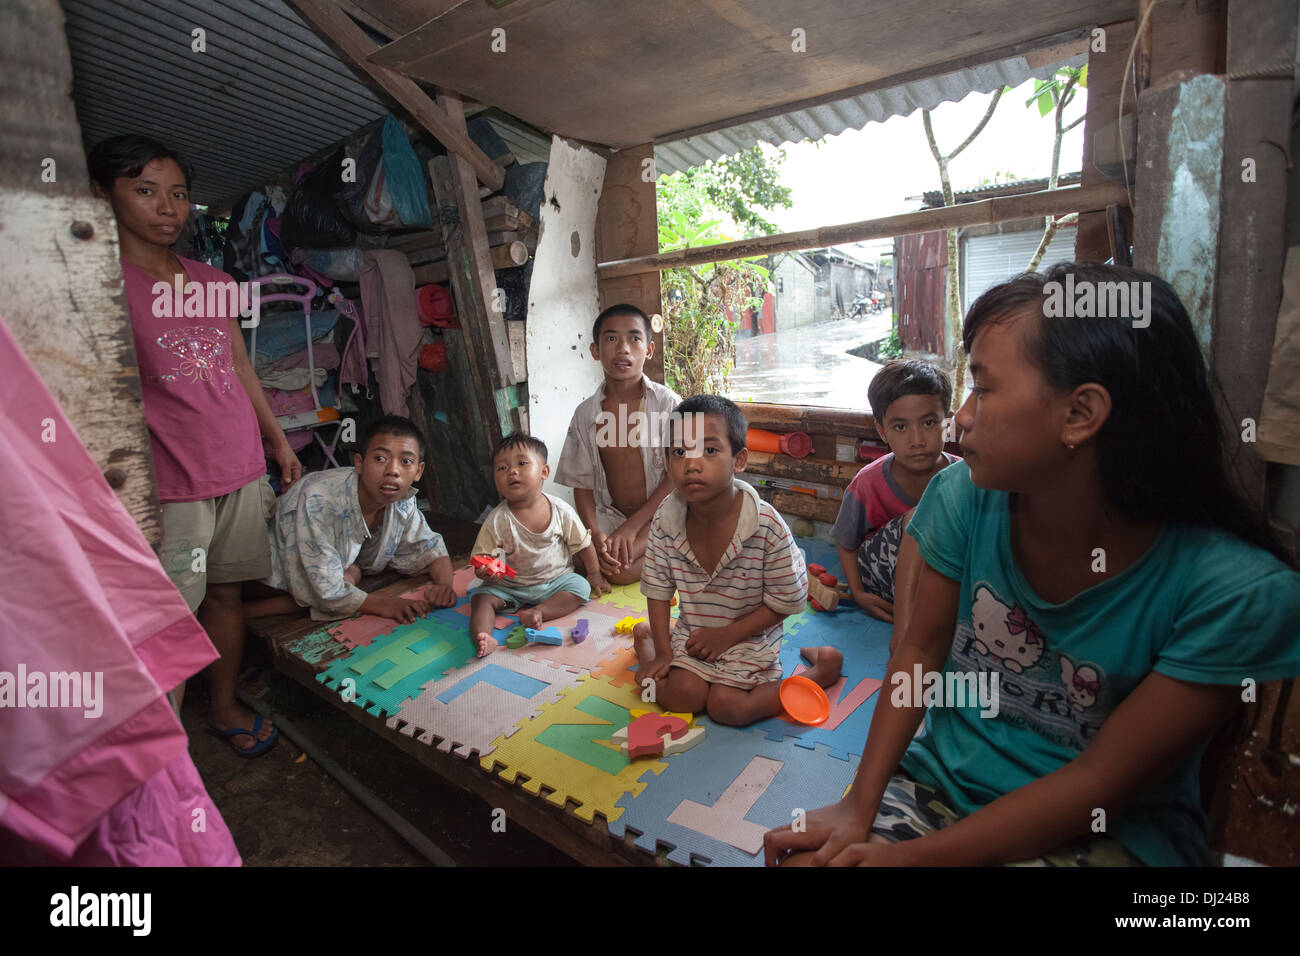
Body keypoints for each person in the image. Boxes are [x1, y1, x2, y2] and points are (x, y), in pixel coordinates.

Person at [763, 262, 1300, 867]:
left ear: (1080, 414)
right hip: (943, 786)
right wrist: (859, 805)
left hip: (1105, 830)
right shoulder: (963, 497)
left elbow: (1100, 781)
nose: (960, 417)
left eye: (984, 389)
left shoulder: (1235, 594)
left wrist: (905, 861)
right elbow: (916, 654)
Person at [89, 134, 298, 757]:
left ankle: (224, 702)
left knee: (228, 593)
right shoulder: (103, 288)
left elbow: (240, 369)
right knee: (166, 615)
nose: (167, 207)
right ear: (104, 197)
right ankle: (160, 756)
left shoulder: (212, 280)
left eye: (178, 193)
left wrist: (279, 445)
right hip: (169, 486)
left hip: (237, 469)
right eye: (145, 190)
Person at [634, 395, 842, 726]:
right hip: (696, 633)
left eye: (710, 450)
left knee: (728, 707)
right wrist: (662, 651)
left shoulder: (766, 525)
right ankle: (646, 642)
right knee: (684, 696)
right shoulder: (666, 519)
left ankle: (822, 671)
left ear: (739, 459)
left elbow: (788, 601)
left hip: (750, 636)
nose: (692, 463)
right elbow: (657, 588)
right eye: (679, 452)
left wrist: (727, 635)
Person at [255, 415, 456, 623]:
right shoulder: (319, 499)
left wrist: (444, 586)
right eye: (380, 459)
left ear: (418, 471)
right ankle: (244, 611)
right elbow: (325, 591)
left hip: (329, 574)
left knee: (352, 572)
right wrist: (384, 604)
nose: (393, 471)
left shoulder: (401, 499)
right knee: (320, 596)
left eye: (406, 462)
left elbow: (431, 547)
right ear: (359, 463)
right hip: (268, 579)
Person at [556, 304, 681, 585]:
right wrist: (593, 534)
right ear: (595, 351)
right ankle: (666, 553)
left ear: (648, 350)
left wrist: (632, 527)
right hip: (610, 516)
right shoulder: (585, 414)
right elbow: (582, 484)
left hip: (663, 514)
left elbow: (678, 477)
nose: (623, 348)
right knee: (573, 557)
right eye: (611, 339)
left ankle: (674, 549)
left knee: (619, 572)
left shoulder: (669, 404)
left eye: (634, 338)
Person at [831, 360, 959, 629]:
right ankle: (907, 630)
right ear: (882, 431)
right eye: (900, 427)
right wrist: (858, 593)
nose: (917, 440)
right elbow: (846, 542)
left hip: (943, 578)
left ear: (947, 423)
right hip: (881, 579)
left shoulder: (964, 476)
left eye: (928, 422)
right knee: (919, 518)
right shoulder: (868, 482)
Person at [469, 434, 605, 657]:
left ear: (544, 471)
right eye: (502, 468)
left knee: (581, 587)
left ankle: (538, 612)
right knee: (481, 599)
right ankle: (484, 637)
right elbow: (483, 558)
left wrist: (594, 573)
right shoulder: (497, 519)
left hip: (555, 582)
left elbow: (583, 545)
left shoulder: (561, 510)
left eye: (522, 463)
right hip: (509, 587)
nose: (512, 471)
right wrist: (486, 570)